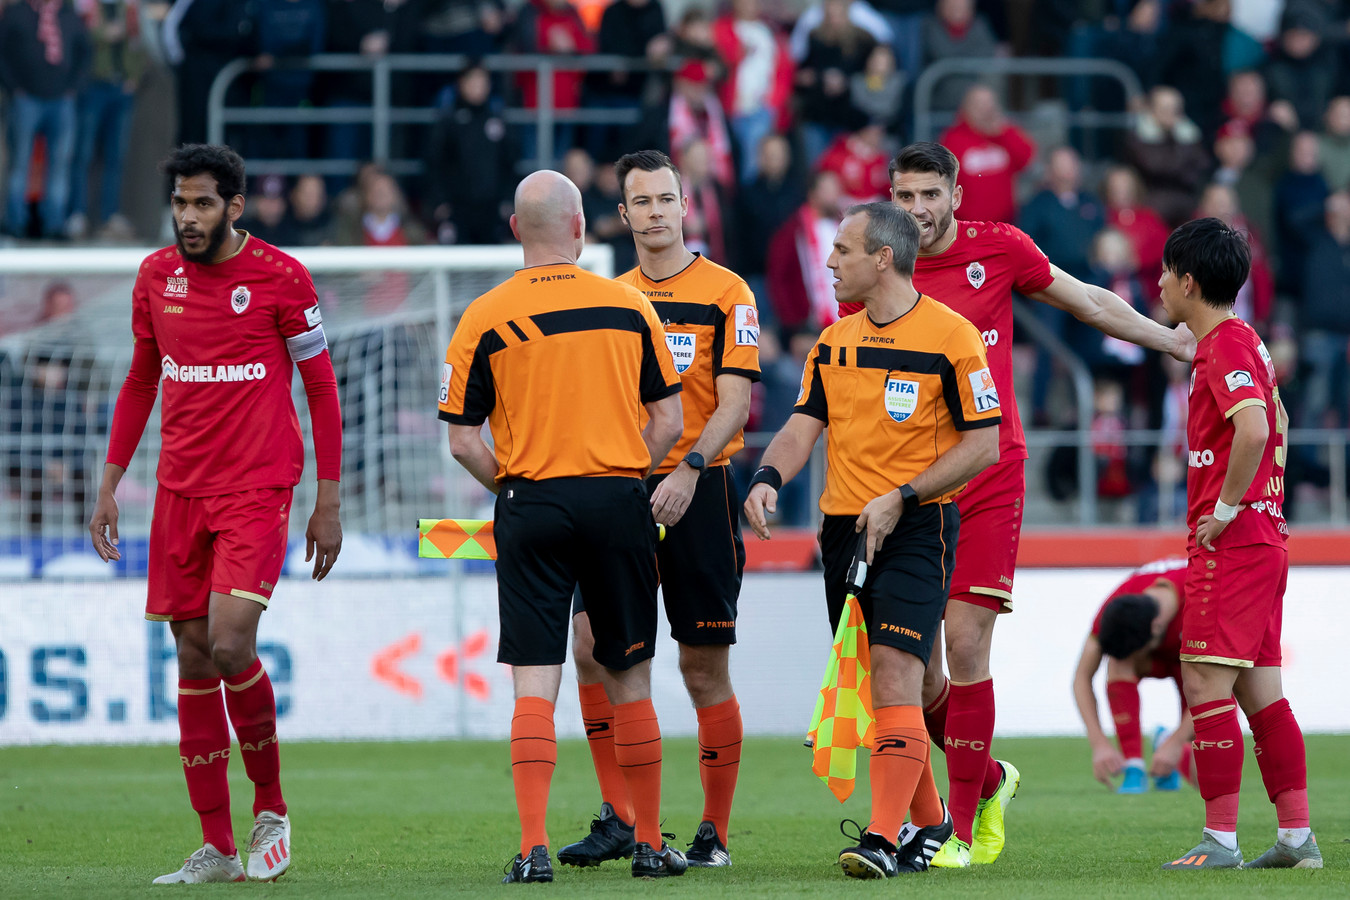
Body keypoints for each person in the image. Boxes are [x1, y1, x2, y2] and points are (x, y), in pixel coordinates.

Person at [836, 142, 1194, 868]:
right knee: (916, 672)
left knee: (966, 645)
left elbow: (1087, 299)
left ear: (957, 194)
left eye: (929, 194)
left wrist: (1169, 341)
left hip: (990, 472)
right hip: (906, 488)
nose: (917, 210)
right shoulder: (873, 272)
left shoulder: (998, 249)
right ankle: (989, 780)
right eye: (903, 196)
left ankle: (956, 835)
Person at [88, 144, 343, 884]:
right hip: (179, 490)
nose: (187, 217)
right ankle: (218, 849)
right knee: (193, 654)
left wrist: (327, 499)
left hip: (258, 487)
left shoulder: (280, 277)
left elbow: (322, 389)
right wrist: (110, 483)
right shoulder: (154, 277)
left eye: (202, 204)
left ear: (235, 206)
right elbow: (142, 380)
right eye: (179, 202)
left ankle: (271, 806)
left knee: (231, 642)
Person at [439, 169, 687, 883]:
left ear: (517, 230)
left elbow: (460, 439)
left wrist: (513, 484)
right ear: (582, 228)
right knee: (631, 676)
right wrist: (619, 476)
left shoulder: (483, 315)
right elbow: (668, 419)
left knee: (534, 682)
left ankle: (533, 848)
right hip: (616, 499)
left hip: (532, 503)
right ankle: (647, 844)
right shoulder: (630, 306)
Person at [744, 201, 999, 878]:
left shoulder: (953, 337)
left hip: (919, 525)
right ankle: (935, 823)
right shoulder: (833, 342)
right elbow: (803, 424)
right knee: (897, 692)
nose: (829, 263)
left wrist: (904, 495)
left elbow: (985, 444)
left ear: (882, 259)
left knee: (894, 675)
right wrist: (768, 475)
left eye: (842, 251)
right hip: (842, 532)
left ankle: (883, 840)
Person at [558, 150, 759, 870]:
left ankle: (714, 832)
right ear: (622, 215)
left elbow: (735, 398)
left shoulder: (728, 291)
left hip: (702, 490)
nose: (654, 213)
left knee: (702, 666)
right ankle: (622, 816)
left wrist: (690, 468)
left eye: (664, 199)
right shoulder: (606, 295)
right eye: (640, 202)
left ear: (685, 205)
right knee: (592, 649)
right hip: (622, 489)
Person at [1156, 217, 1320, 870]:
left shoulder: (1223, 346)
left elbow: (1254, 429)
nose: (1161, 282)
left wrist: (1226, 510)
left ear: (1189, 281)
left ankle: (1220, 842)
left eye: (1167, 272)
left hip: (1237, 542)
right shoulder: (1243, 338)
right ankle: (1296, 838)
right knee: (1262, 694)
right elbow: (1279, 419)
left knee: (1203, 681)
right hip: (1265, 537)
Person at [1070, 558, 1193, 794]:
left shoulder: (1201, 600)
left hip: (1192, 658)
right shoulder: (1118, 607)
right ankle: (1133, 766)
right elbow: (1081, 678)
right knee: (1118, 662)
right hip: (1161, 647)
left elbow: (1222, 689)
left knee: (1203, 761)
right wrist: (1099, 744)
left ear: (1157, 629)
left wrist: (1177, 743)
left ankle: (1169, 744)